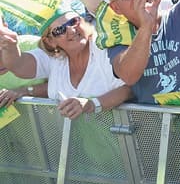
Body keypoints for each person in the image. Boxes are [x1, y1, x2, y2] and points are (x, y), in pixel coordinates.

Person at [0, 7, 131, 118]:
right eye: (60, 30)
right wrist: (10, 46)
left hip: (126, 140)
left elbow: (131, 88)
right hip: (85, 143)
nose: (71, 30)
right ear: (50, 41)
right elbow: (19, 65)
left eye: (73, 21)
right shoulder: (55, 58)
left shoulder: (105, 46)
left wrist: (92, 104)